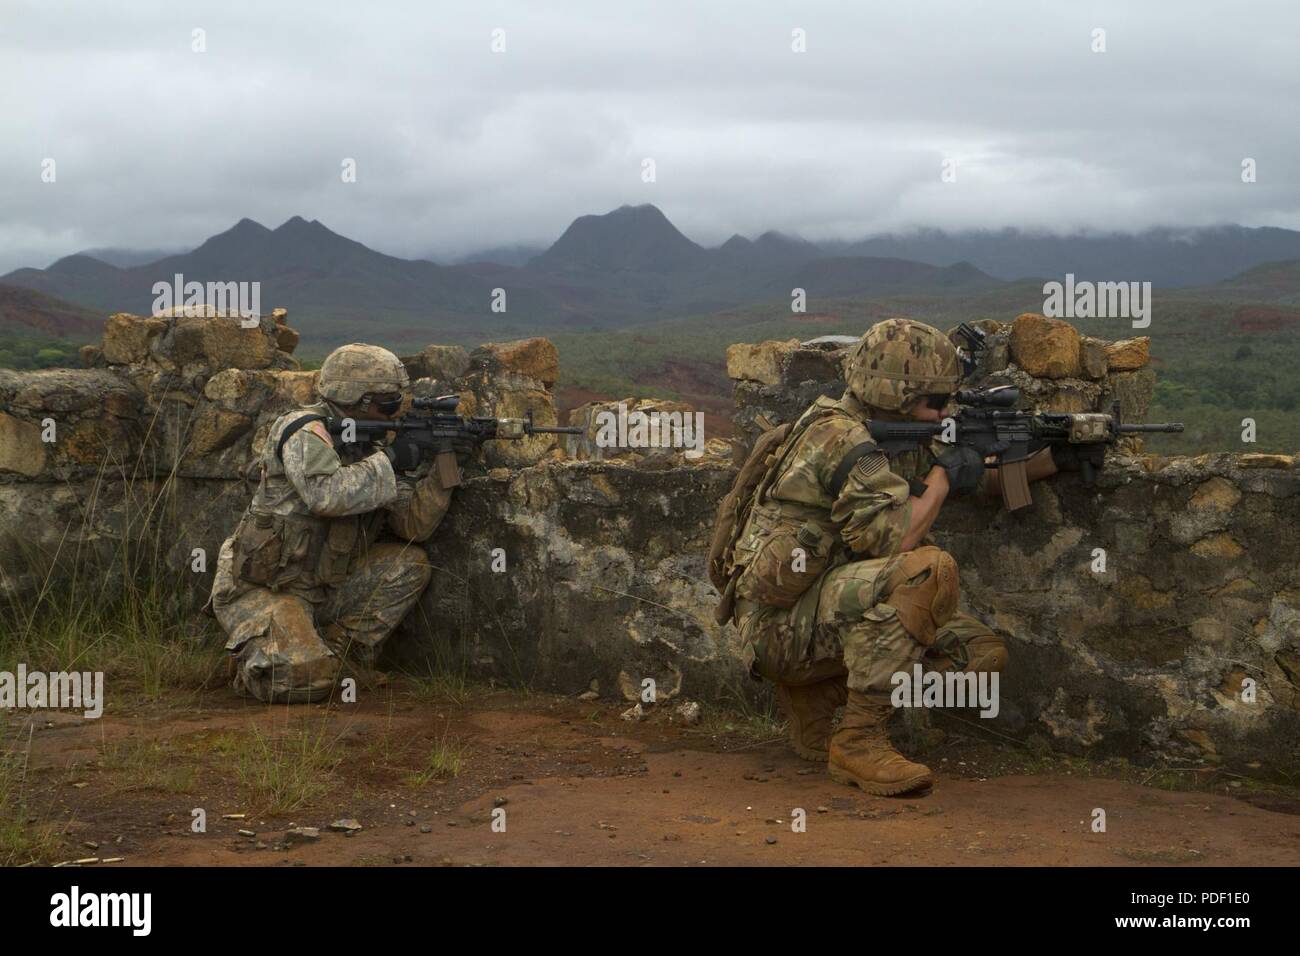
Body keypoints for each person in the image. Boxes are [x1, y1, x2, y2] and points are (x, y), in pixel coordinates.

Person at [728, 318, 1058, 795]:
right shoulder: (842, 439)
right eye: (936, 402)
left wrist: (1049, 460)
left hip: (823, 609)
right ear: (900, 398)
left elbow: (970, 479)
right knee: (927, 570)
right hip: (777, 629)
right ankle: (858, 742)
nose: (946, 411)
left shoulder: (889, 435)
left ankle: (818, 696)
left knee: (979, 655)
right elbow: (897, 539)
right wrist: (945, 475)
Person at [209, 343, 452, 703]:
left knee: (409, 564)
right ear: (354, 398)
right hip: (269, 589)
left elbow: (413, 527)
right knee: (304, 682)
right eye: (387, 404)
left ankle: (340, 656)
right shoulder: (303, 431)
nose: (394, 413)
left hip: (326, 589)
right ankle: (260, 664)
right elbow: (325, 496)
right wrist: (391, 460)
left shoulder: (369, 446)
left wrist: (448, 461)